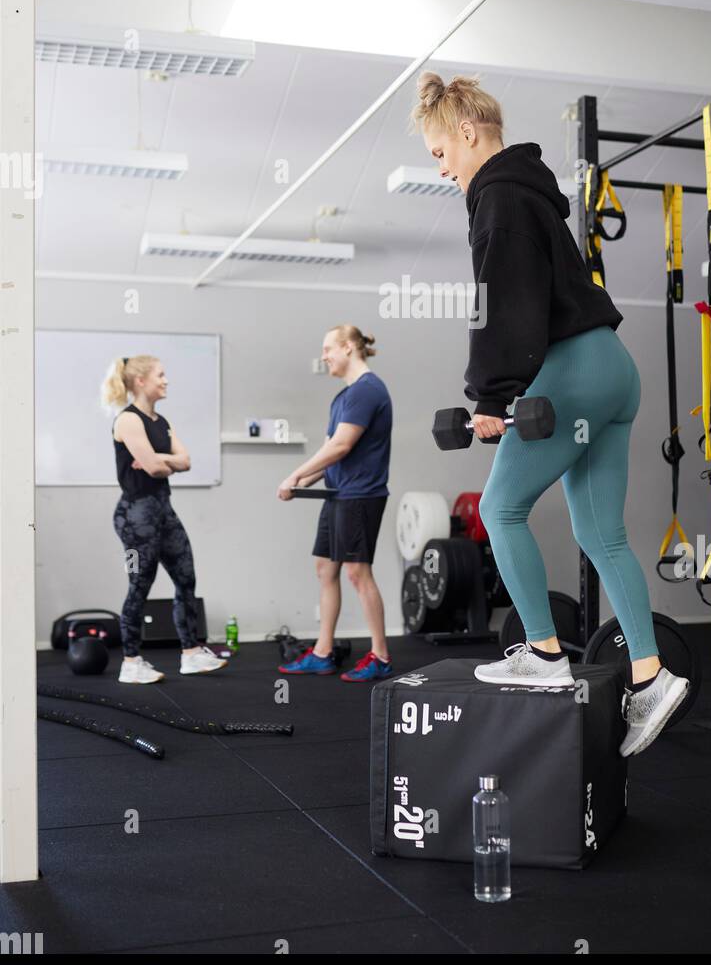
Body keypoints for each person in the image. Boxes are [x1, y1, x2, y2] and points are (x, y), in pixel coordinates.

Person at [410, 71, 690, 757]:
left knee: (501, 511)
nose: (442, 169)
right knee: (603, 535)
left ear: (468, 134)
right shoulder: (530, 191)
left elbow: (502, 301)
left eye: (441, 154)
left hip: (572, 369)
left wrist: (490, 397)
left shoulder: (496, 197)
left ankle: (540, 653)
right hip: (614, 370)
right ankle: (651, 679)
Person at [276, 325, 393, 682]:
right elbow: (329, 453)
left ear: (348, 347)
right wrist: (302, 481)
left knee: (358, 573)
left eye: (328, 348)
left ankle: (381, 656)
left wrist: (294, 475)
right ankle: (323, 653)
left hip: (361, 495)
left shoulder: (368, 390)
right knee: (326, 569)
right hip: (338, 494)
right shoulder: (342, 398)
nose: (324, 355)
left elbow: (341, 446)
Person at [102, 355, 227, 684]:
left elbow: (185, 461)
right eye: (161, 375)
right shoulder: (128, 421)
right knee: (139, 585)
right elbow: (161, 469)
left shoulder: (161, 421)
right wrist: (164, 461)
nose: (166, 380)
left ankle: (190, 654)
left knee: (186, 578)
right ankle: (131, 661)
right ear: (141, 381)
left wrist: (158, 457)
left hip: (162, 509)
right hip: (134, 516)